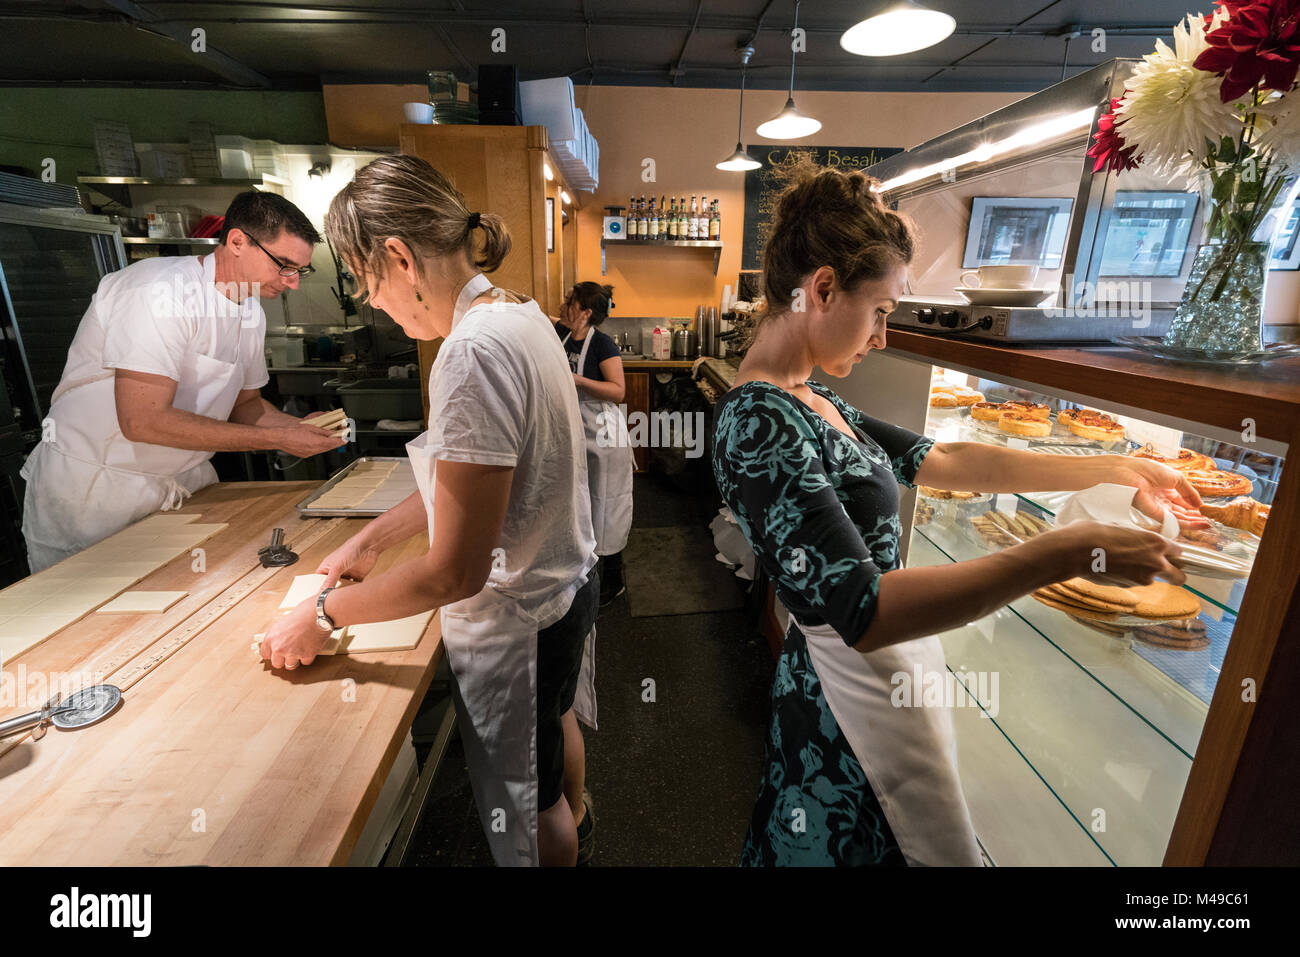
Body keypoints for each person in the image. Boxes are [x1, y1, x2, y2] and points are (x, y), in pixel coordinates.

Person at [711, 162, 1205, 866]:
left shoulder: (807, 397)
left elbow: (942, 462)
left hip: (867, 695)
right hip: (841, 718)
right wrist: (1063, 551)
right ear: (822, 289)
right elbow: (865, 607)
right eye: (880, 310)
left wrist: (1109, 466)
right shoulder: (756, 418)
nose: (882, 336)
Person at [259, 154, 599, 867]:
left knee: (528, 807)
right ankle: (582, 811)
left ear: (398, 257)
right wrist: (374, 538)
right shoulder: (517, 311)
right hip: (563, 591)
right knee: (556, 723)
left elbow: (453, 573)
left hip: (519, 619)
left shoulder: (471, 354)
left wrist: (320, 616)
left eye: (364, 281)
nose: (373, 301)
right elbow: (473, 479)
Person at [21, 190, 343, 571]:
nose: (292, 283)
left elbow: (247, 406)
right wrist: (278, 439)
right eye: (283, 265)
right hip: (97, 496)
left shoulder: (250, 312)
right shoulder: (159, 293)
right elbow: (142, 420)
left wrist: (299, 428)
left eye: (300, 271)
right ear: (238, 241)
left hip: (184, 489)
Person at [554, 281, 634, 605]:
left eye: (570, 301)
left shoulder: (603, 345)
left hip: (602, 431)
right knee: (583, 505)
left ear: (585, 313)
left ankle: (612, 583)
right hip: (575, 428)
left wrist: (578, 380)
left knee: (607, 506)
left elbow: (618, 391)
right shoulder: (561, 333)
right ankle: (586, 579)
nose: (563, 305)